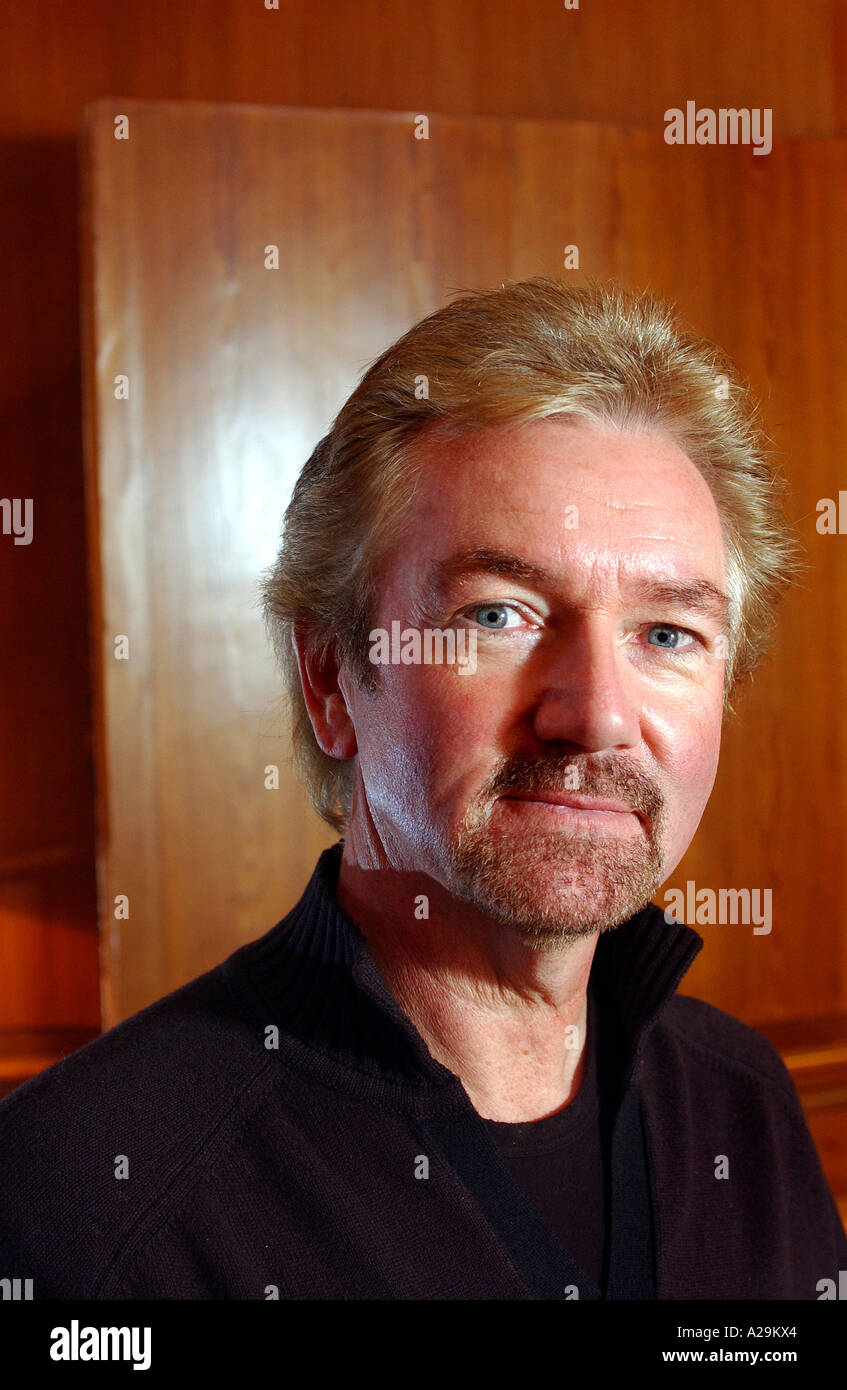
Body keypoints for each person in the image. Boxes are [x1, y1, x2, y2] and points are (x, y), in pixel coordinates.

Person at [1, 277, 844, 1300]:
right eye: (500, 614)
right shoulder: (76, 1204)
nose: (597, 713)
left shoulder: (741, 1107)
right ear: (330, 680)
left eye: (667, 633)